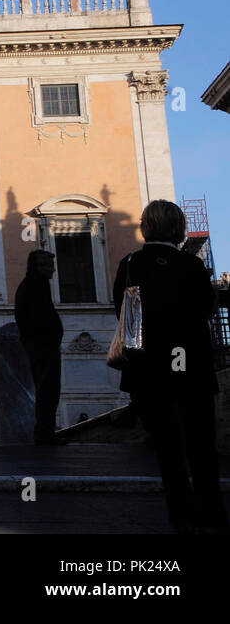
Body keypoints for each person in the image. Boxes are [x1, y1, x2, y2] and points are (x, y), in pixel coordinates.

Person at [112, 199, 228, 534]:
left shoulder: (131, 263)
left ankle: (181, 517)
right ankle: (214, 517)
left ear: (145, 226)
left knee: (167, 449)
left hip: (148, 371)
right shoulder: (190, 265)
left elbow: (120, 311)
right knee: (202, 448)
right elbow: (207, 309)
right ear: (178, 227)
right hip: (191, 367)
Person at [14, 249, 64, 445]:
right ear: (39, 267)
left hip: (39, 344)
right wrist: (51, 337)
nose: (53, 270)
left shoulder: (30, 285)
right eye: (49, 266)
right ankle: (45, 433)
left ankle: (45, 432)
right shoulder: (36, 286)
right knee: (48, 390)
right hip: (43, 345)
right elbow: (39, 317)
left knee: (47, 390)